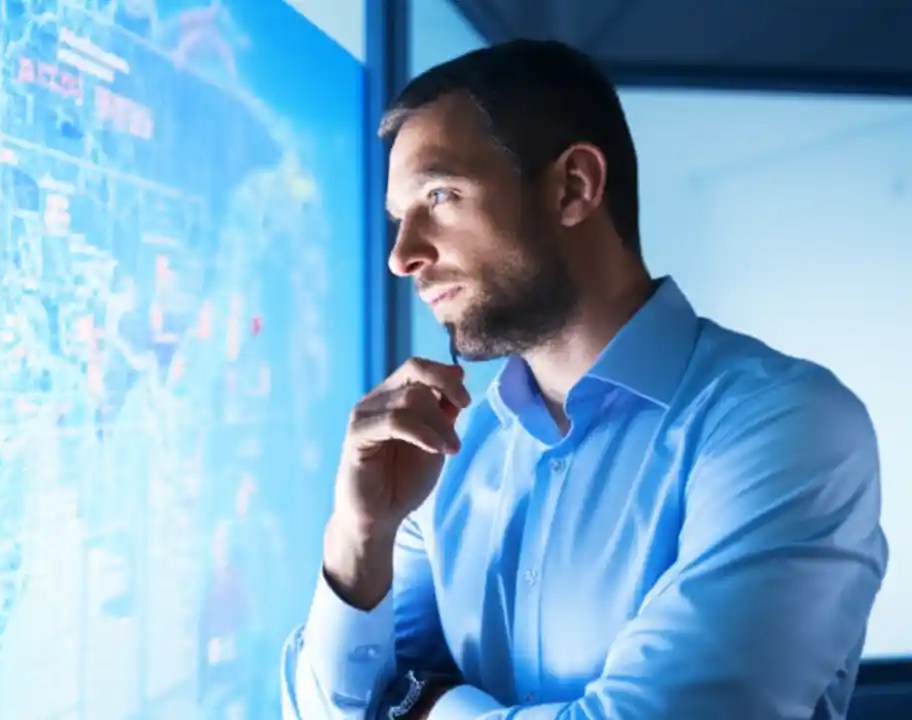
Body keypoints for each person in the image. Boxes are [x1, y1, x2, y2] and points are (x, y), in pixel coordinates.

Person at [280, 39, 888, 720]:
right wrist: (359, 537)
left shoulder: (789, 427)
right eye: (400, 219)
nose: (402, 256)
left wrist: (419, 707)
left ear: (574, 187)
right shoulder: (447, 453)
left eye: (441, 195)